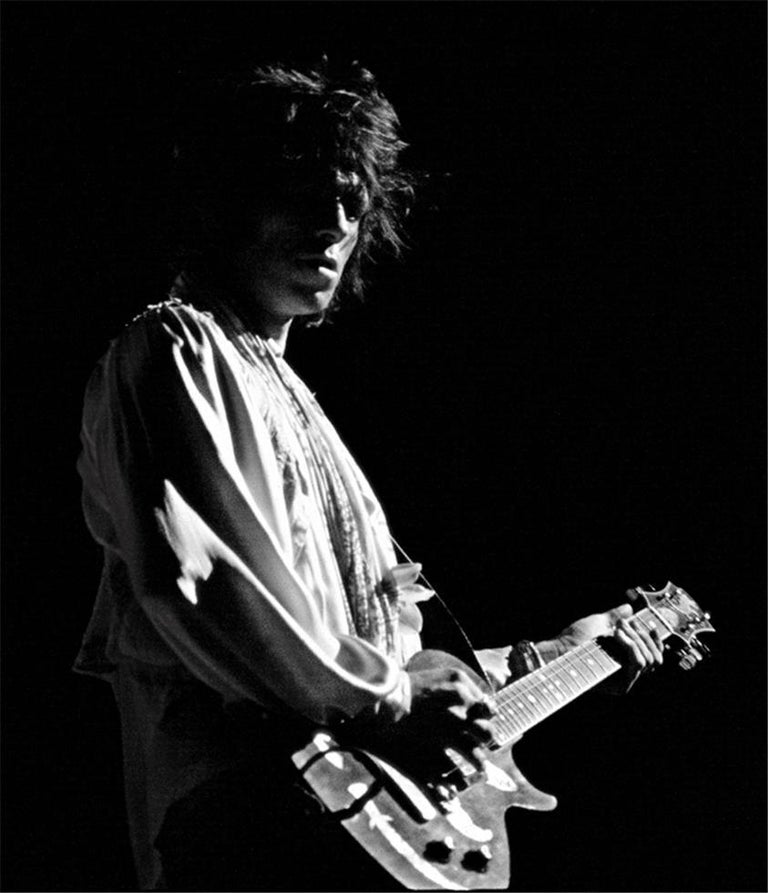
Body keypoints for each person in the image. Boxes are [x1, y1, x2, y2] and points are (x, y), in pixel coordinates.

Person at [74, 60, 665, 892]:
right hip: (254, 824)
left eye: (353, 203)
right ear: (226, 202)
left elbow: (377, 662)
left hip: (346, 830)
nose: (334, 224)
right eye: (304, 193)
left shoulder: (294, 404)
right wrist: (387, 698)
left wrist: (555, 653)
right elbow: (202, 585)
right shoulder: (178, 347)